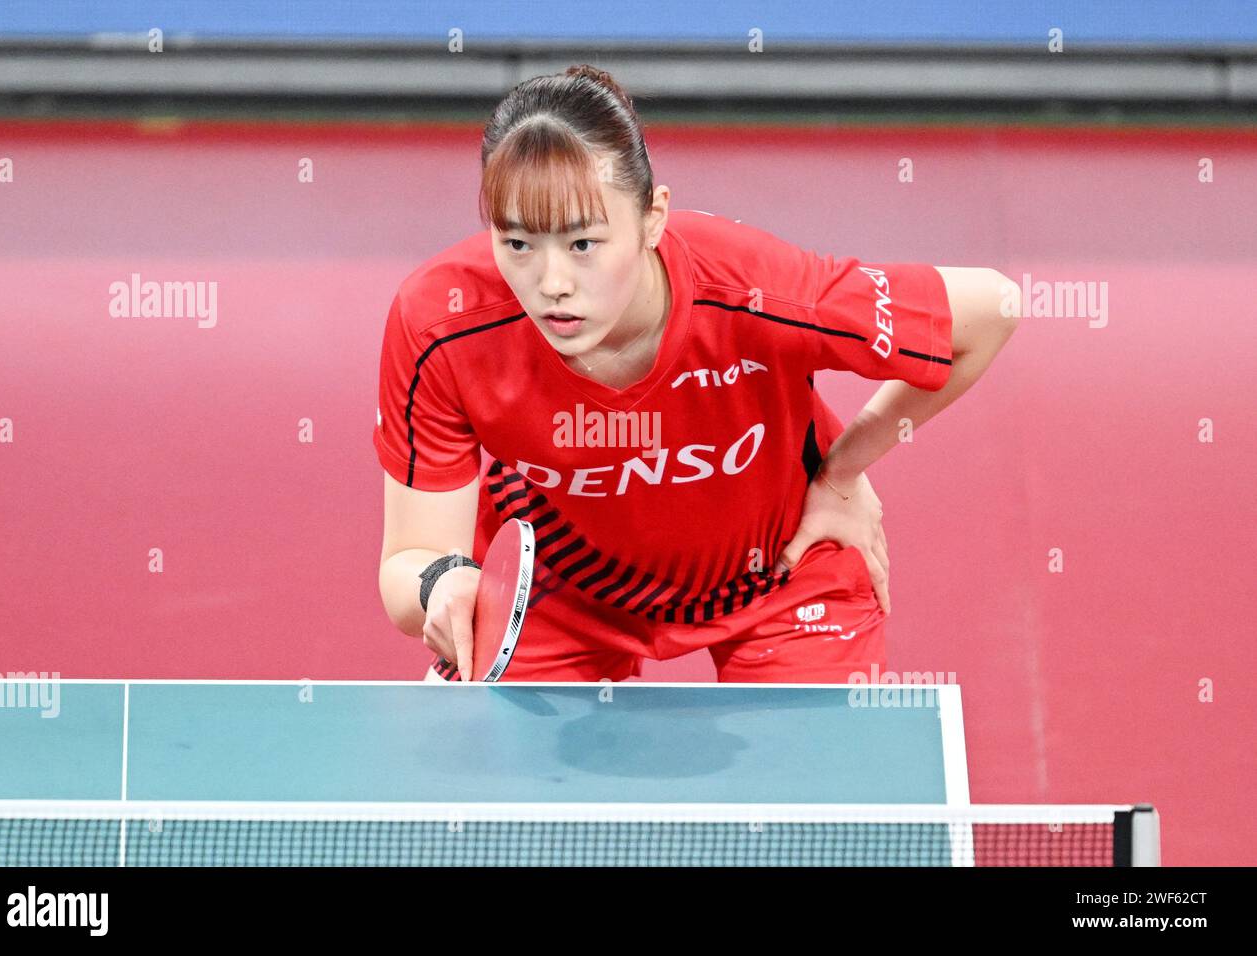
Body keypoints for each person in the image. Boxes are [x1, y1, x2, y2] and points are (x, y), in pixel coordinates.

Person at [375, 64, 1019, 683]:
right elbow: (408, 561)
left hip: (780, 567)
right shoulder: (443, 323)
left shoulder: (760, 290)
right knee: (476, 787)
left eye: (583, 244)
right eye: (517, 244)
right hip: (556, 582)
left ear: (653, 218)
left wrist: (844, 471)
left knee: (821, 793)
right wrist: (443, 584)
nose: (551, 285)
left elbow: (993, 308)